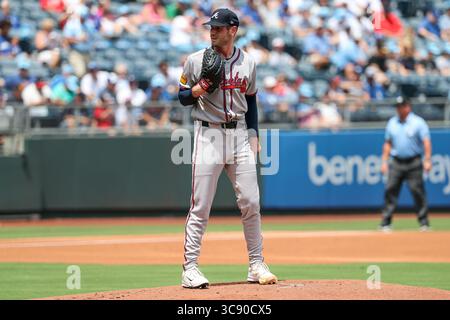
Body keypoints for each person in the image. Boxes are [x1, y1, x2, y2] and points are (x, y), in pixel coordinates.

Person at [177, 8, 277, 289]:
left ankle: (256, 264)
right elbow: (182, 96)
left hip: (241, 135)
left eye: (219, 27)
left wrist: (255, 134)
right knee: (201, 206)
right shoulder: (195, 61)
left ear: (233, 30)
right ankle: (190, 268)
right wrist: (196, 90)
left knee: (251, 202)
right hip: (208, 135)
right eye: (211, 26)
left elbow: (252, 100)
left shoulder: (248, 62)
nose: (213, 30)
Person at [380, 96, 432, 232]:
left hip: (414, 162)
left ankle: (424, 222)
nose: (399, 109)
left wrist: (427, 160)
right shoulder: (392, 122)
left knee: (417, 191)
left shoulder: (418, 122)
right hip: (396, 161)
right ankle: (386, 222)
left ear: (408, 107)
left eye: (401, 106)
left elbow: (426, 142)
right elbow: (388, 143)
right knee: (390, 189)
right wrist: (384, 161)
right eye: (397, 106)